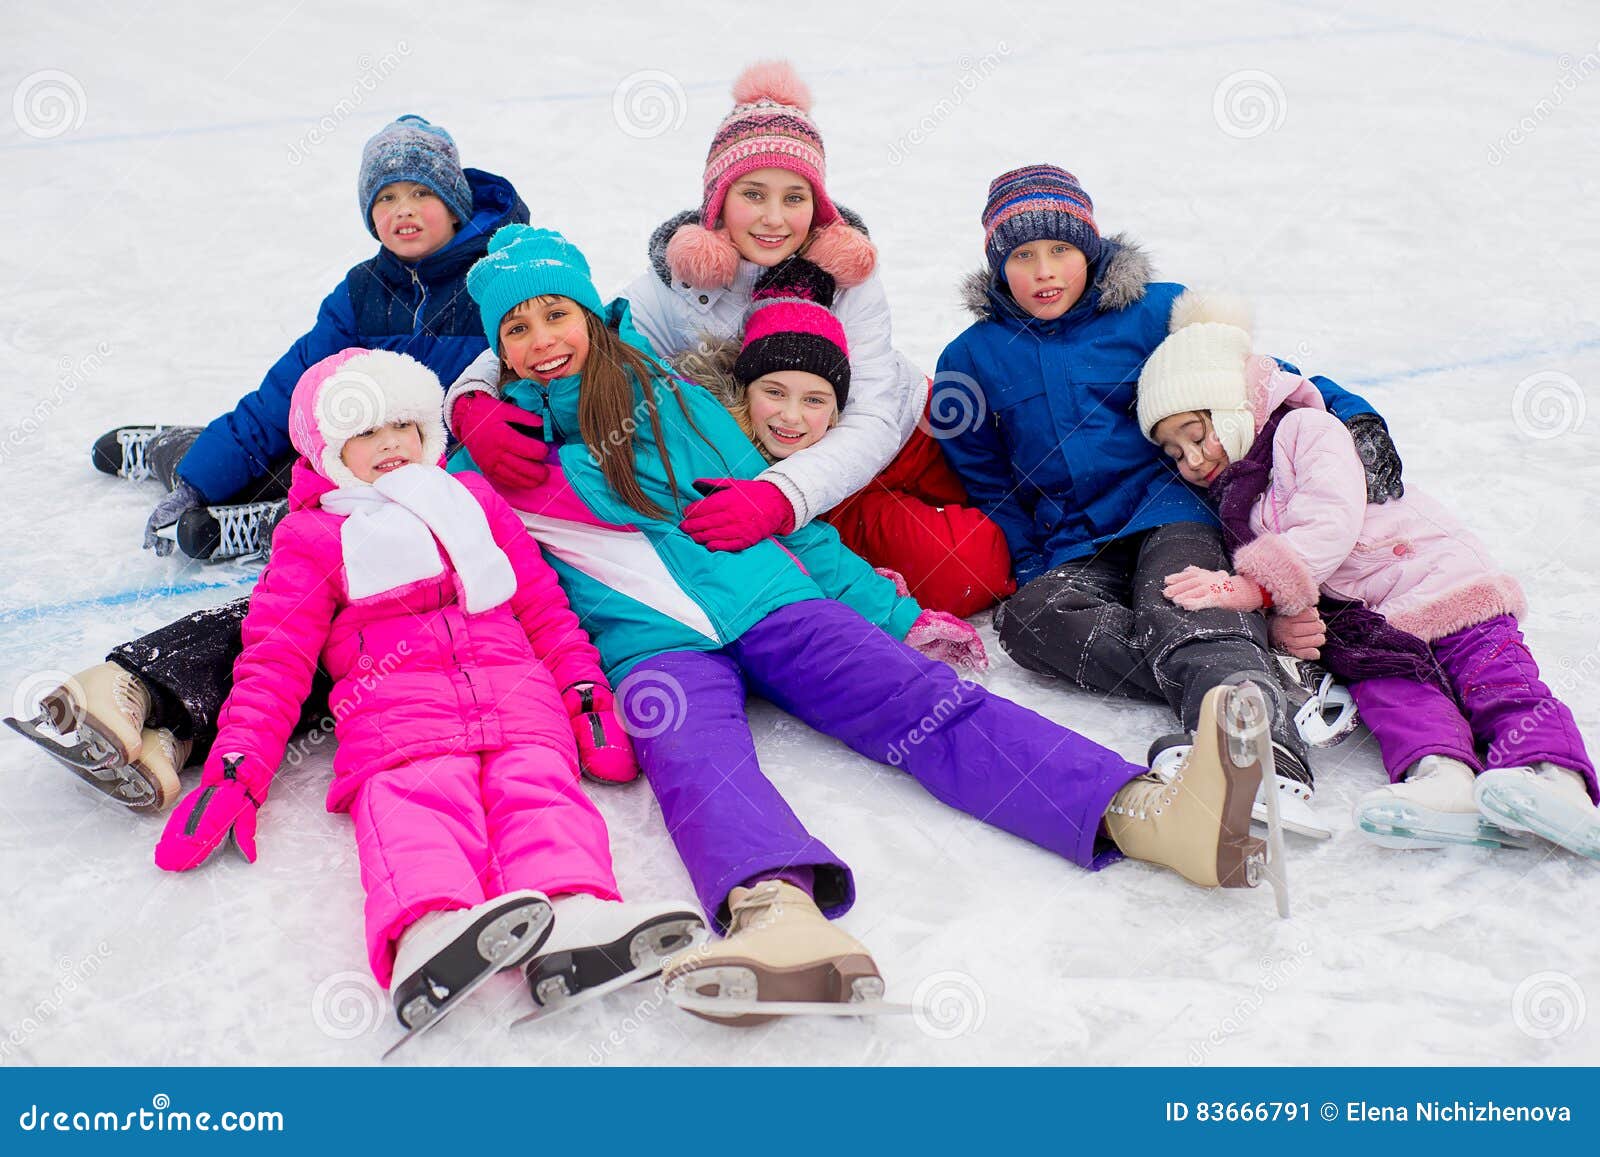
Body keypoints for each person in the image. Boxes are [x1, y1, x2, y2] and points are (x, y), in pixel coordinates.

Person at [458, 225, 1280, 1024]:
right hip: (648, 647)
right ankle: (775, 916)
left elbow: (798, 528)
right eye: (516, 327)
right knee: (695, 766)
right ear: (497, 348)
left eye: (555, 313)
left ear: (590, 315)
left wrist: (896, 613)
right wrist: (471, 416)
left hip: (775, 601)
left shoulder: (673, 403)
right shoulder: (489, 456)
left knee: (923, 702)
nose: (541, 339)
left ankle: (1153, 815)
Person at [151, 346, 701, 1031]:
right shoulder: (316, 536)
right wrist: (236, 769)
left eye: (404, 427)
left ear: (427, 434)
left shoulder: (471, 499)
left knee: (541, 794)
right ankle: (430, 931)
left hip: (516, 701)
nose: (390, 445)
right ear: (326, 451)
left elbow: (543, 606)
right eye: (365, 432)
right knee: (417, 808)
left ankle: (576, 918)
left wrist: (585, 693)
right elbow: (275, 660)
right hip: (396, 721)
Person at [14, 115, 528, 810]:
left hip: (415, 471)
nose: (402, 212)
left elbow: (513, 403)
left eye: (419, 194)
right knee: (265, 445)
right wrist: (200, 477)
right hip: (348, 449)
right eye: (384, 199)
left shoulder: (503, 278)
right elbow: (286, 390)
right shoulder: (363, 289)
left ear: (456, 200)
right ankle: (176, 452)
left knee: (331, 553)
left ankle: (199, 646)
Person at [442, 60, 1013, 616]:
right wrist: (472, 400)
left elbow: (872, 415)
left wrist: (781, 497)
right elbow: (581, 329)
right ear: (718, 201)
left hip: (885, 444)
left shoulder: (847, 278)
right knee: (948, 573)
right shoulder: (676, 283)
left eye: (794, 198)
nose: (773, 218)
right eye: (753, 194)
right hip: (783, 469)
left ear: (818, 205)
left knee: (991, 540)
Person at [937, 164, 1405, 838]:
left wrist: (1355, 417)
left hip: (1169, 511)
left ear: (1091, 250)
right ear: (995, 265)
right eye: (1023, 255)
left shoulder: (1158, 311)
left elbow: (1256, 377)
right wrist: (1036, 559)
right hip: (1074, 541)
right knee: (1030, 621)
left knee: (1183, 595)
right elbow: (987, 480)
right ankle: (1239, 666)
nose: (1045, 271)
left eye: (1062, 250)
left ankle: (1261, 747)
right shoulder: (971, 359)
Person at [1137, 294, 1599, 860]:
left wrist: (1256, 587)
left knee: (1497, 680)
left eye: (1196, 431)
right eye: (1174, 450)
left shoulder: (1305, 430)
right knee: (1393, 695)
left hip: (1441, 584)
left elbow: (1328, 519)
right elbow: (1296, 576)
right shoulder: (1241, 498)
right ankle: (1442, 778)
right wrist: (1285, 619)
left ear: (1230, 405)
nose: (1191, 458)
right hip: (1375, 623)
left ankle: (1554, 778)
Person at [674, 257, 1014, 618]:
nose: (790, 415)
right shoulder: (718, 431)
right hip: (840, 491)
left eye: (813, 399)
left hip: (913, 433)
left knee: (1014, 484)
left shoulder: (873, 392)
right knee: (964, 569)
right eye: (774, 392)